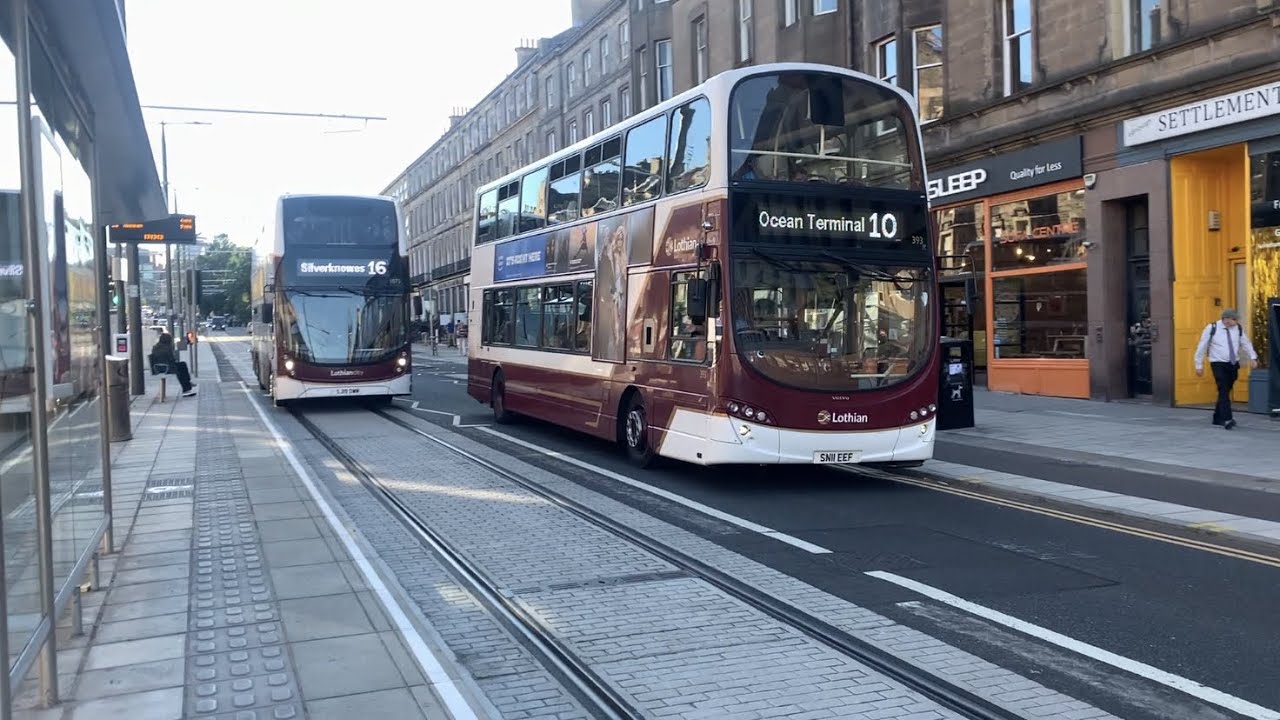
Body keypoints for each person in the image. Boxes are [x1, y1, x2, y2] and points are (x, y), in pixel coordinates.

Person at [1194, 308, 1257, 429]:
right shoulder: (1212, 328)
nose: (1232, 322)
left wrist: (1253, 357)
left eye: (1234, 320)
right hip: (1218, 363)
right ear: (1224, 318)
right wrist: (1198, 365)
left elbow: (1246, 343)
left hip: (1233, 364)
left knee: (1225, 391)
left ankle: (1217, 418)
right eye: (1230, 319)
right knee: (1223, 389)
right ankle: (1227, 418)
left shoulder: (1238, 329)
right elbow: (1202, 346)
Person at [150, 332, 196, 397]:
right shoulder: (166, 348)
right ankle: (186, 388)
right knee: (181, 369)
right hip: (166, 367)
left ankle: (188, 384)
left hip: (159, 367)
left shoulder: (156, 347)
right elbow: (171, 359)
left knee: (182, 365)